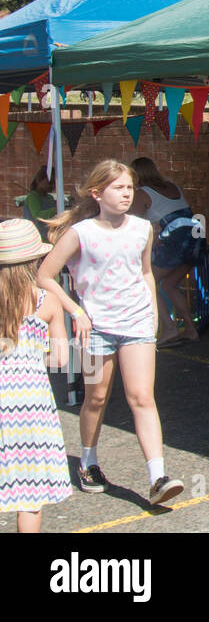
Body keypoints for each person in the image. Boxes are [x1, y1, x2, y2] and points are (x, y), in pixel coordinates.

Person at [38, 160, 186, 507]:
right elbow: (45, 275)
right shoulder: (80, 233)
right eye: (118, 188)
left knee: (142, 397)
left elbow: (146, 272)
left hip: (135, 325)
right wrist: (75, 311)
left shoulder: (142, 228)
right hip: (95, 330)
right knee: (97, 399)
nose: (126, 194)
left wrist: (152, 313)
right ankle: (88, 463)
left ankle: (158, 477)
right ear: (97, 193)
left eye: (129, 188)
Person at [0, 219, 75, 531]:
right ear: (35, 260)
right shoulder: (48, 302)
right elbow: (60, 358)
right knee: (29, 491)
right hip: (31, 400)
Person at [130, 157, 202, 347]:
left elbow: (136, 225)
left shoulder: (141, 193)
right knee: (169, 284)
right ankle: (190, 329)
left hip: (175, 243)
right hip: (195, 239)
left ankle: (169, 329)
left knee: (148, 284)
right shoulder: (172, 186)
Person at [23, 169, 56, 241]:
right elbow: (38, 215)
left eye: (54, 183)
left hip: (48, 237)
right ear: (39, 180)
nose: (53, 185)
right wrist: (57, 209)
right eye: (50, 182)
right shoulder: (33, 197)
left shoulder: (50, 198)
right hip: (35, 238)